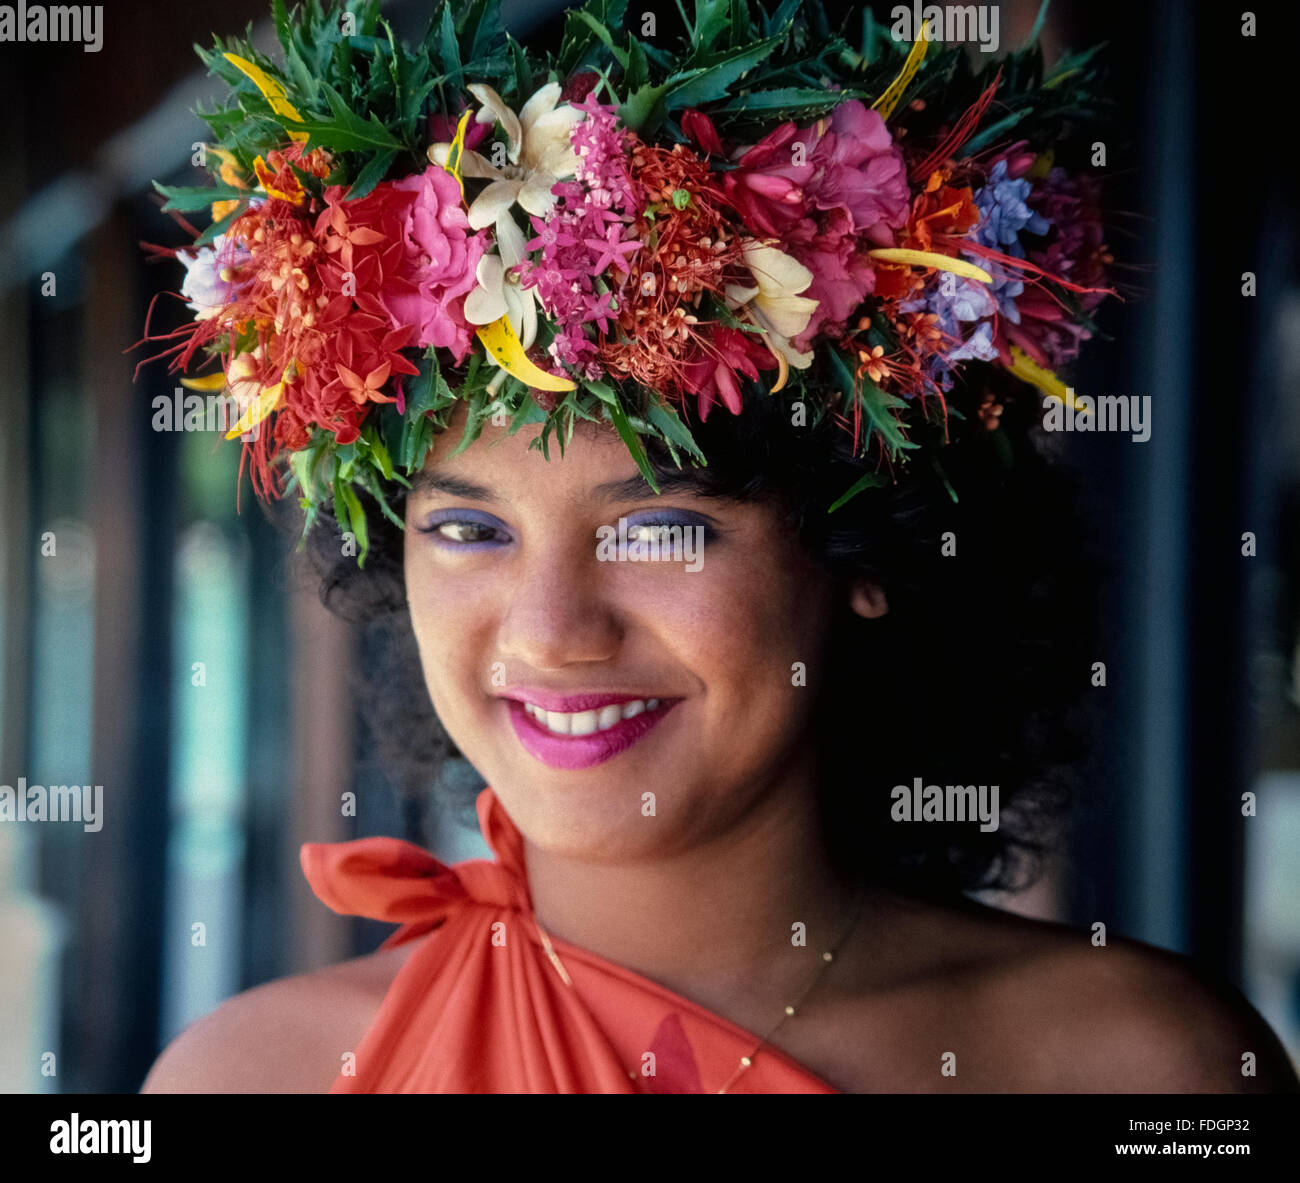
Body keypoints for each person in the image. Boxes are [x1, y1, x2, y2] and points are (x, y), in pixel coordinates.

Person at [142, 385, 1300, 1093]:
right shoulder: (248, 1079)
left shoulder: (1140, 1068)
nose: (553, 635)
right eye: (468, 526)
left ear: (862, 552)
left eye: (657, 527)